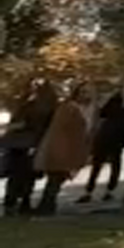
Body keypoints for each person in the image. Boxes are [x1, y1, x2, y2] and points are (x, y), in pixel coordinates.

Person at [33, 81, 95, 215]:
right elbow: (60, 132)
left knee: (56, 180)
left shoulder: (90, 109)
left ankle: (47, 206)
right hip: (62, 150)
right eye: (83, 92)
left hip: (72, 150)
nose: (87, 95)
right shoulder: (69, 108)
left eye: (89, 92)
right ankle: (46, 207)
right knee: (55, 179)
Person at [2, 76, 57, 216]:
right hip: (34, 143)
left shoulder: (29, 104)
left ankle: (12, 202)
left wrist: (8, 129)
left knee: (16, 174)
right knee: (28, 175)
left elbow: (20, 123)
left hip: (22, 143)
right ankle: (23, 203)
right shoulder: (51, 105)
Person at [80, 78, 124, 203]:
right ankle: (109, 191)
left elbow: (100, 112)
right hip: (117, 137)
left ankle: (89, 191)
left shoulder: (110, 103)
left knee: (97, 165)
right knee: (115, 165)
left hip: (104, 135)